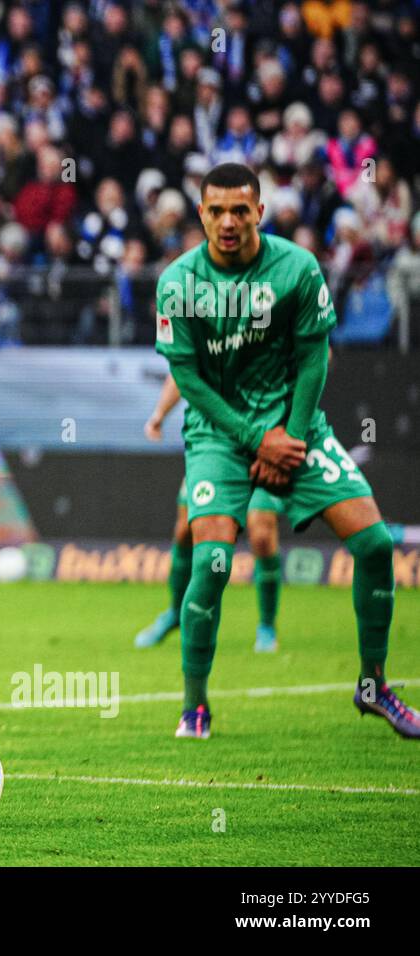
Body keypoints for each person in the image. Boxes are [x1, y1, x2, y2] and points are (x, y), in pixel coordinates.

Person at [154, 162, 415, 740]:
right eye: (216, 211)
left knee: (375, 545)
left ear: (259, 212)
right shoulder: (177, 282)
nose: (227, 222)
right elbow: (188, 378)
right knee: (213, 562)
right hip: (219, 436)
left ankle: (373, 685)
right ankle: (194, 705)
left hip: (296, 430)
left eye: (239, 210)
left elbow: (315, 357)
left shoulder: (297, 268)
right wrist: (257, 440)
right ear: (201, 214)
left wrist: (289, 439)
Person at [134, 374, 285, 653]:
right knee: (185, 530)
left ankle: (267, 625)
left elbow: (315, 359)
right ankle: (175, 612)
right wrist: (159, 415)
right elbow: (181, 372)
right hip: (211, 448)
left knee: (262, 534)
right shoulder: (206, 346)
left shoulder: (267, 349)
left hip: (261, 447)